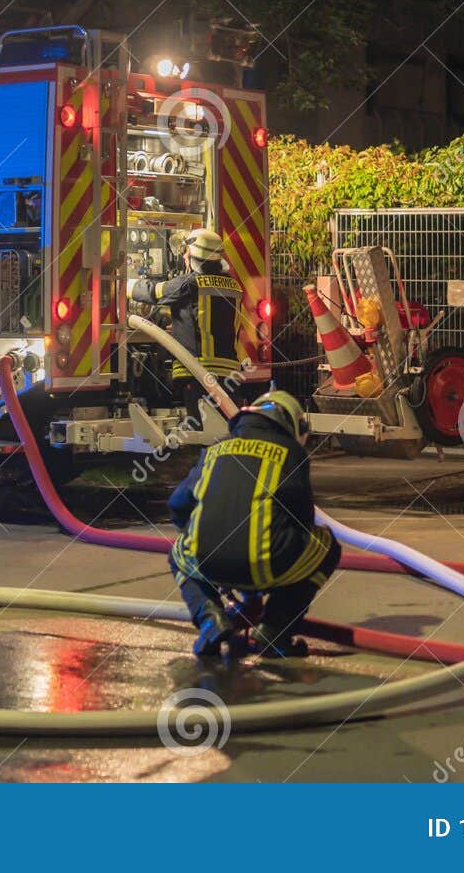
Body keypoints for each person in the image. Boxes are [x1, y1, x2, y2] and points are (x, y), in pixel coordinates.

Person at [167, 390, 341, 658]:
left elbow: (177, 506)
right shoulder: (291, 454)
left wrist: (198, 535)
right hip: (269, 567)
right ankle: (274, 628)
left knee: (179, 554)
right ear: (291, 424)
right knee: (327, 547)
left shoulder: (213, 452)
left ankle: (209, 618)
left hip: (208, 563)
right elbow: (302, 518)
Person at [126, 227, 244, 418]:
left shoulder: (190, 283)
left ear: (194, 253)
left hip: (199, 373)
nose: (184, 258)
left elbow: (155, 292)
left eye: (186, 253)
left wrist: (126, 284)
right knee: (224, 425)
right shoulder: (234, 285)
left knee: (201, 428)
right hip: (229, 372)